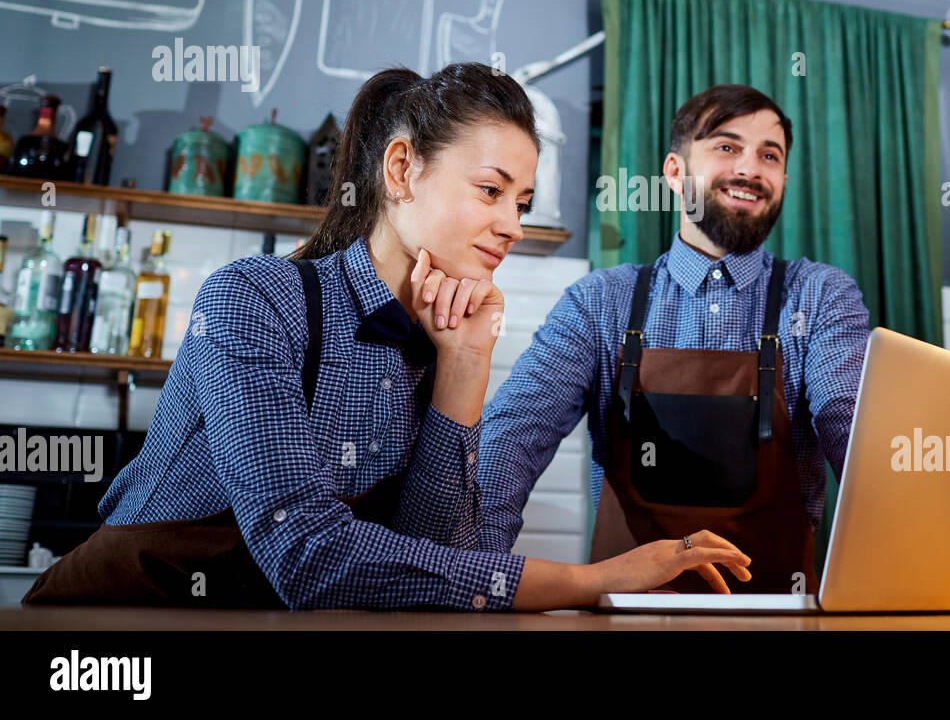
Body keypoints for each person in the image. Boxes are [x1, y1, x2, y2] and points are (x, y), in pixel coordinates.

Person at [23, 64, 750, 611]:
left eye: (522, 203)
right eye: (491, 191)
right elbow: (306, 553)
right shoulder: (251, 298)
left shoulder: (442, 340)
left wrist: (464, 367)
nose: (513, 225)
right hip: (115, 632)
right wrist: (589, 582)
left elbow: (437, 564)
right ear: (401, 169)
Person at [478, 84, 872, 594]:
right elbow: (510, 441)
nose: (750, 169)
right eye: (726, 147)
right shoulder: (598, 301)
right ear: (673, 173)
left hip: (780, 616)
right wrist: (466, 580)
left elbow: (852, 427)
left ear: (783, 178)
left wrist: (930, 564)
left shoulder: (820, 296)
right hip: (627, 618)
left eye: (769, 155)